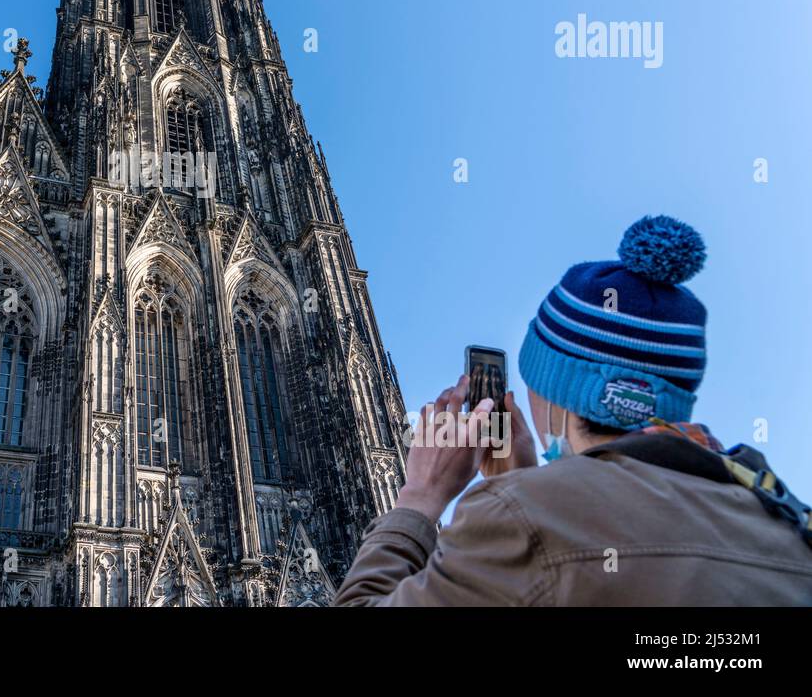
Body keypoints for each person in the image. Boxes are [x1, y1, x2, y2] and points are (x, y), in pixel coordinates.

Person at [335, 216, 812, 606]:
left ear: (557, 397)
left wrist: (419, 498)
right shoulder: (786, 520)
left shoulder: (520, 520)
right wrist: (521, 487)